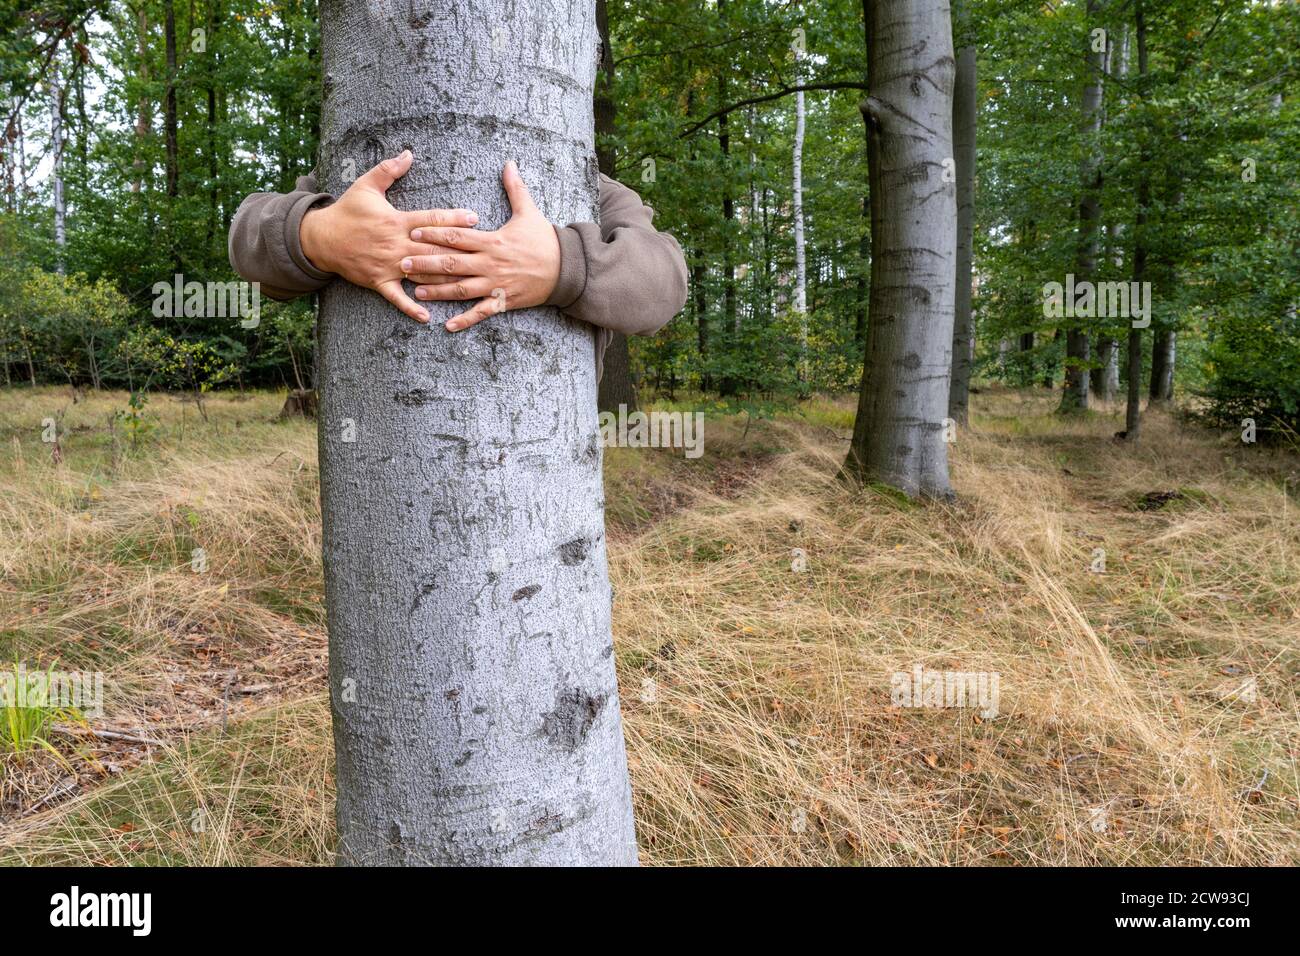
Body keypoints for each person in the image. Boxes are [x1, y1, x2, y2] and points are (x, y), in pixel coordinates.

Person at [228, 150, 687, 380]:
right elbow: (246, 240)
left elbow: (666, 287)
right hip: (374, 465)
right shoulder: (356, 167)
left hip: (548, 477)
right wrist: (321, 235)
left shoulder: (586, 183)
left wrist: (562, 265)